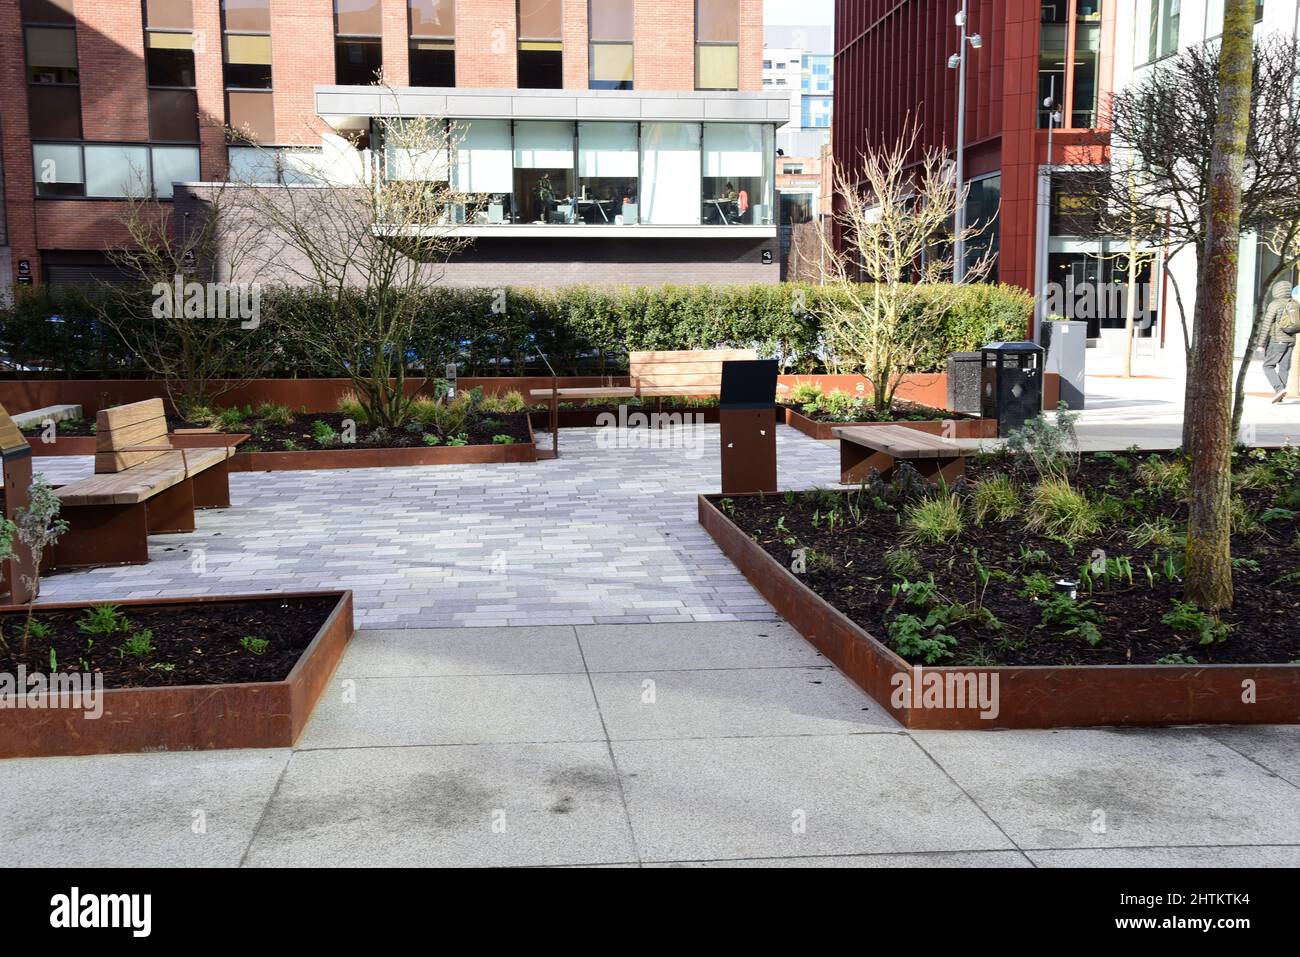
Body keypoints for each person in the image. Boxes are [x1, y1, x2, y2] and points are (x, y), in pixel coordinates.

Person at [1262, 280, 1300, 404]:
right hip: (1291, 340)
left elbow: (1266, 324)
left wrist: (1260, 343)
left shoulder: (1274, 304)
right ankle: (1280, 397)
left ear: (1276, 290)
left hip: (1277, 340)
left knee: (1268, 366)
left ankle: (1279, 389)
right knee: (1284, 368)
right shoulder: (1294, 303)